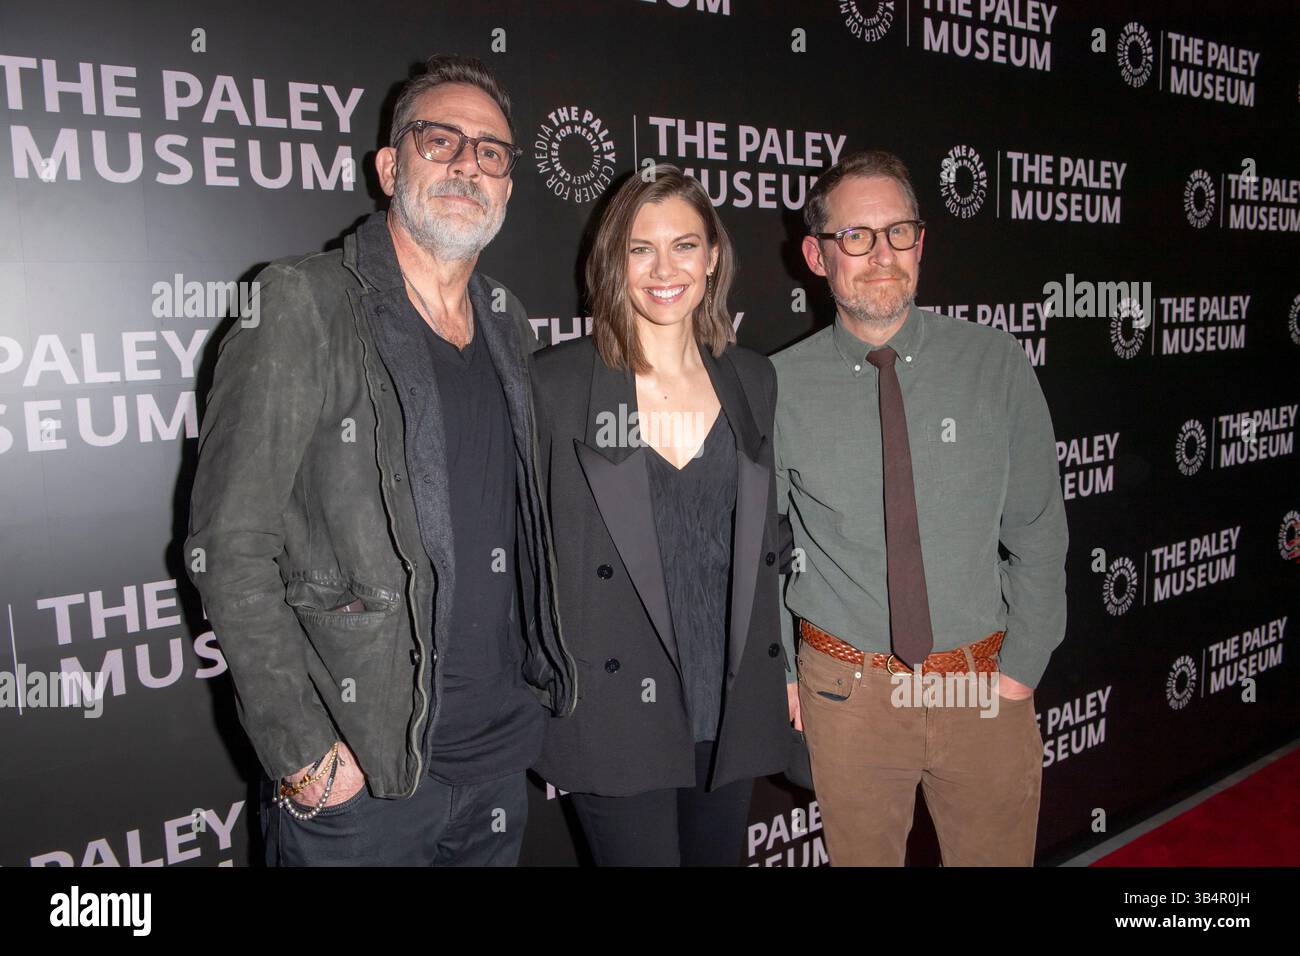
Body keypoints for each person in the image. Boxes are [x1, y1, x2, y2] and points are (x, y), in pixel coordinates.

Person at [185, 54, 575, 866]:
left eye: (492, 152)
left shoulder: (507, 327)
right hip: (366, 783)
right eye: (442, 141)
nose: (469, 164)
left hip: (499, 762)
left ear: (507, 187)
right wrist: (304, 758)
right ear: (390, 166)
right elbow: (229, 546)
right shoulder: (303, 302)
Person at [774, 149, 1068, 866]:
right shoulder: (777, 387)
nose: (881, 256)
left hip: (983, 688)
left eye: (898, 232)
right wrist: (786, 669)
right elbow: (766, 547)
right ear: (818, 255)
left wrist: (1021, 668)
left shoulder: (996, 364)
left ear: (922, 241)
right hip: (848, 696)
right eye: (856, 237)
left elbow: (1036, 527)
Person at [530, 164, 791, 866]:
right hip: (614, 714)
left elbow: (774, 541)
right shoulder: (557, 384)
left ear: (712, 257)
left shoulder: (752, 379)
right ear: (613, 260)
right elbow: (522, 552)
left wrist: (788, 670)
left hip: (728, 703)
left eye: (684, 244)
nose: (663, 267)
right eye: (640, 248)